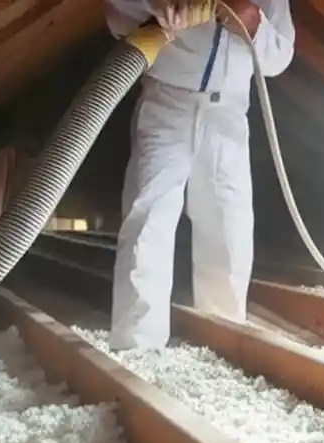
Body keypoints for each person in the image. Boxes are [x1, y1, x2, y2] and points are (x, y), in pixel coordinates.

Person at [103, 0, 295, 349]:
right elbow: (118, 12)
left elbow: (280, 56)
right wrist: (164, 5)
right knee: (150, 220)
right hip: (168, 101)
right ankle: (137, 349)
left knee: (229, 227)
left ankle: (222, 342)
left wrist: (253, 24)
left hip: (229, 115)